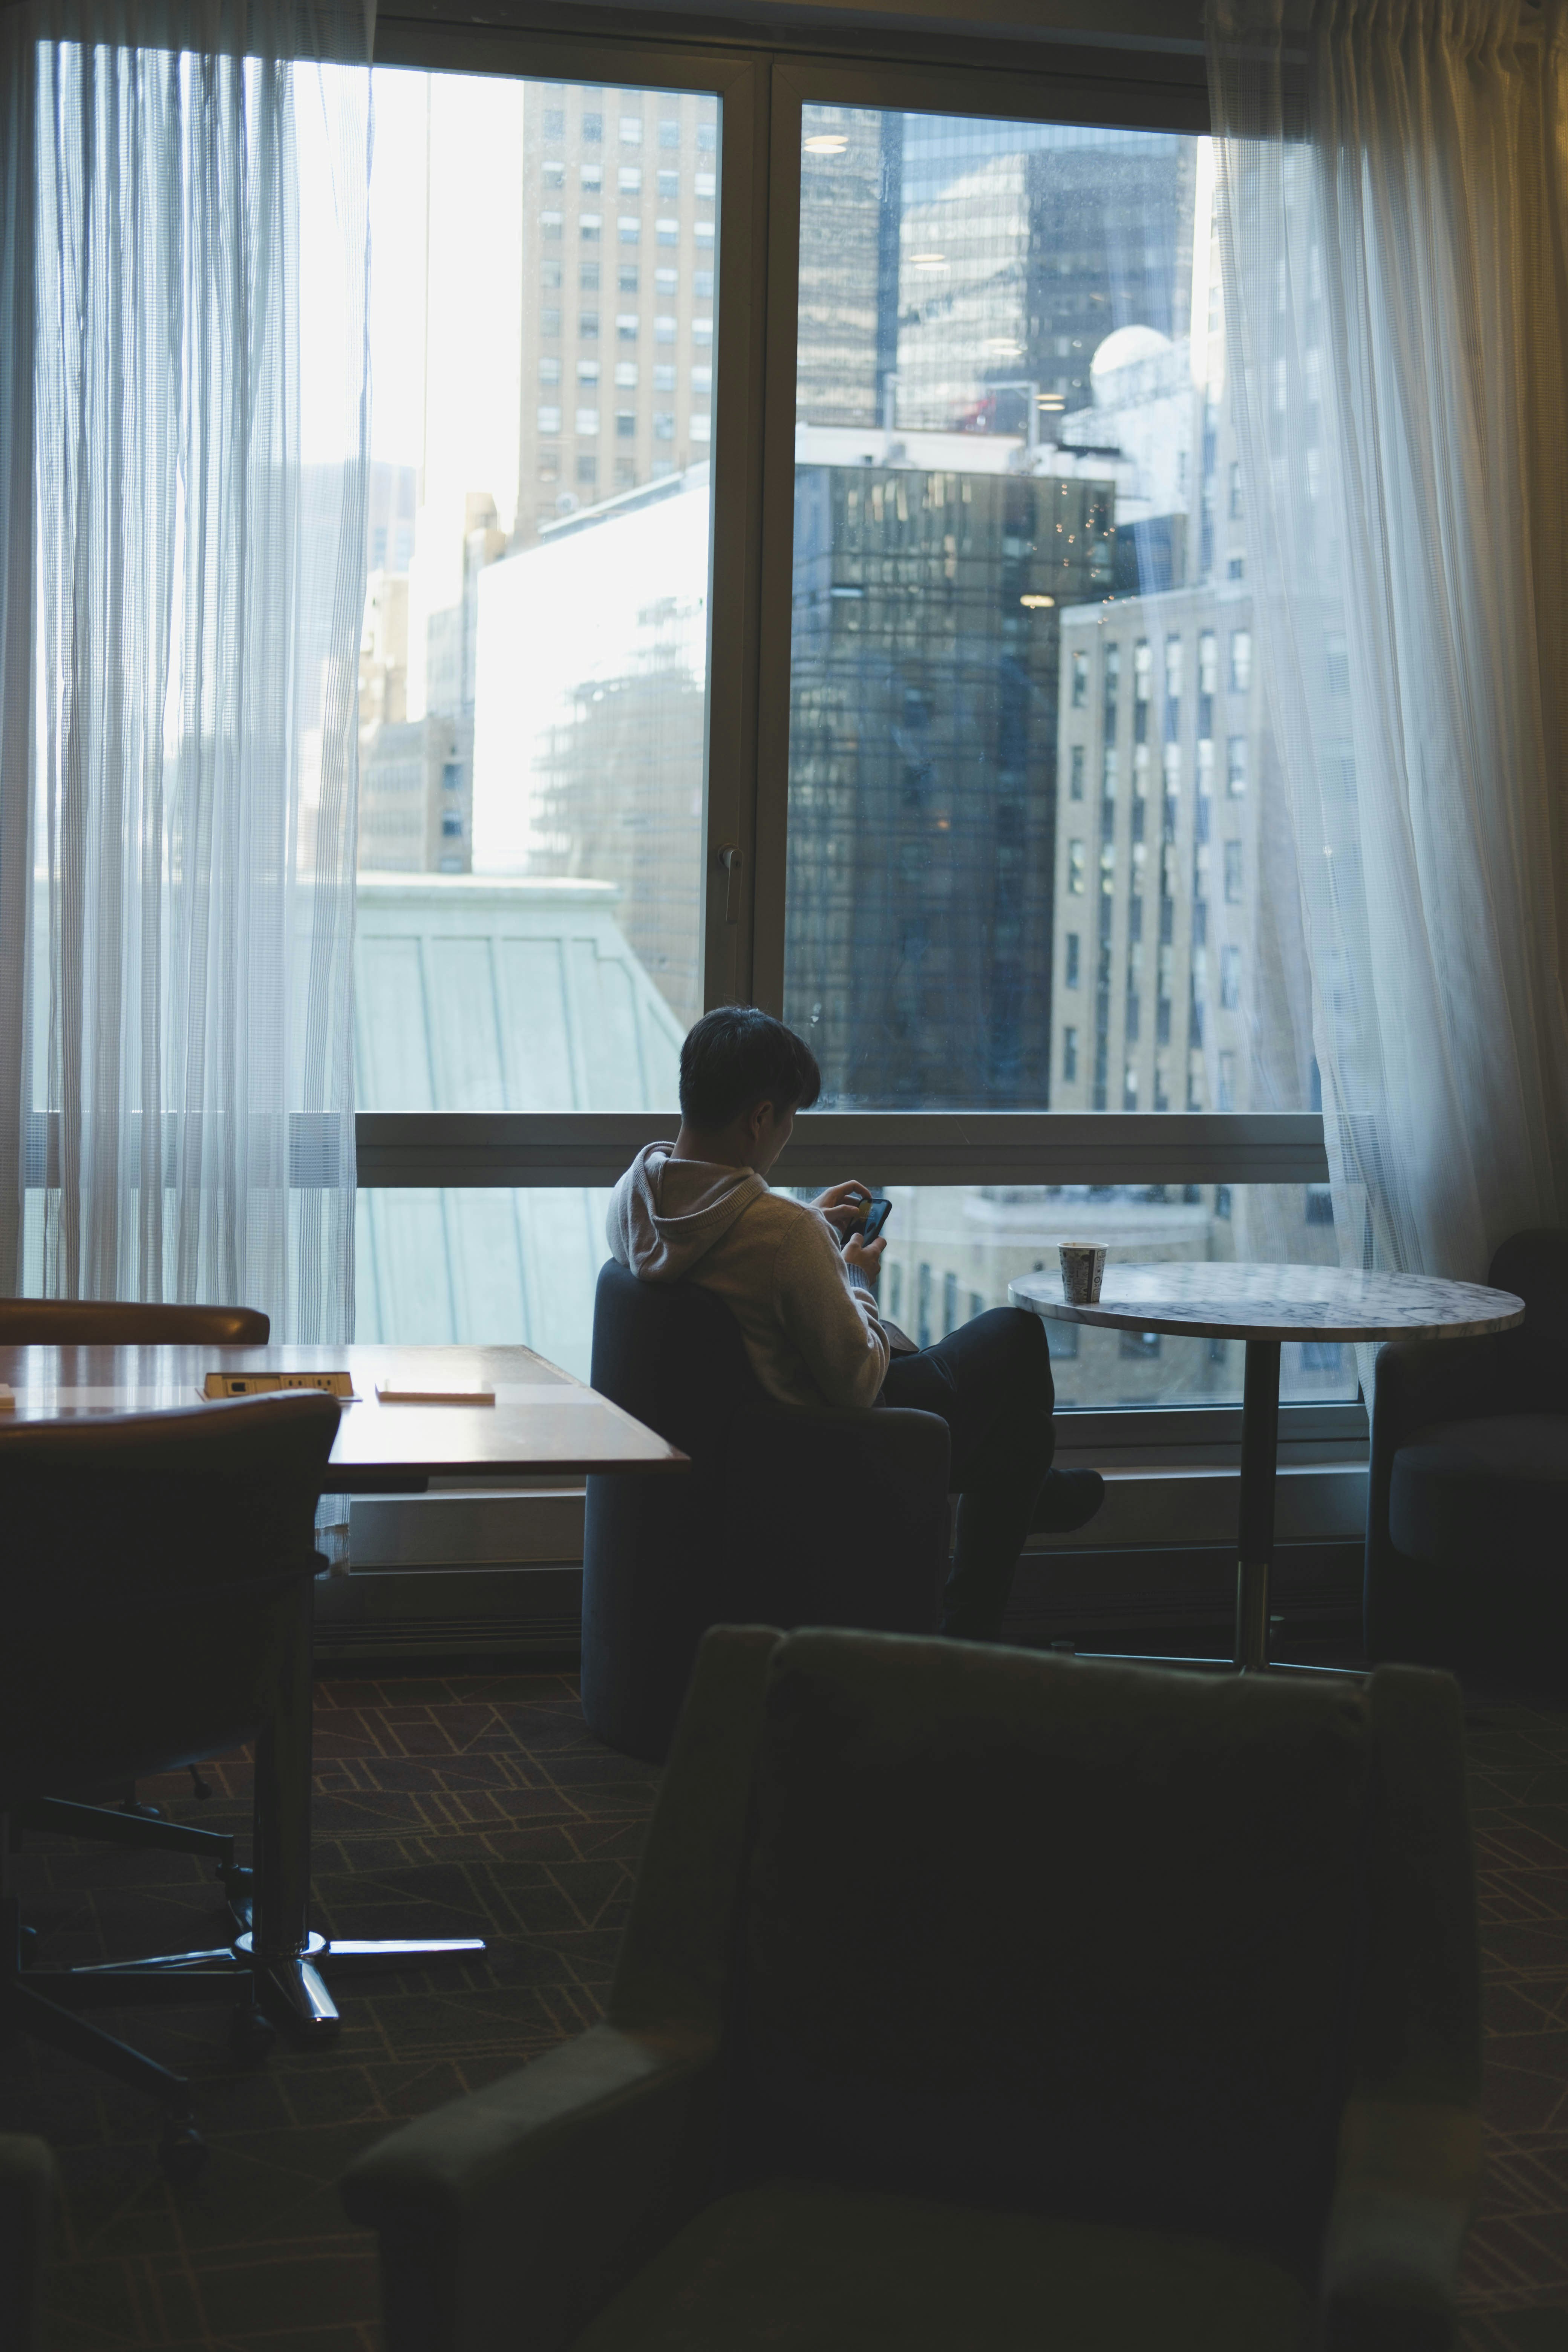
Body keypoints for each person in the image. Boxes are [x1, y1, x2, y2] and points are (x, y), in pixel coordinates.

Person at [606, 1005, 1103, 1641]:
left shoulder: (636, 1196)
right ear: (760, 1118)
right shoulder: (782, 1237)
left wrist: (809, 1225)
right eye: (787, 1121)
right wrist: (856, 1278)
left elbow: (739, 1255)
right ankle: (1027, 1509)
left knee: (1021, 1443)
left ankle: (1012, 1526)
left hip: (751, 1431)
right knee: (1018, 1336)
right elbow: (859, 1384)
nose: (787, 1137)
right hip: (828, 1434)